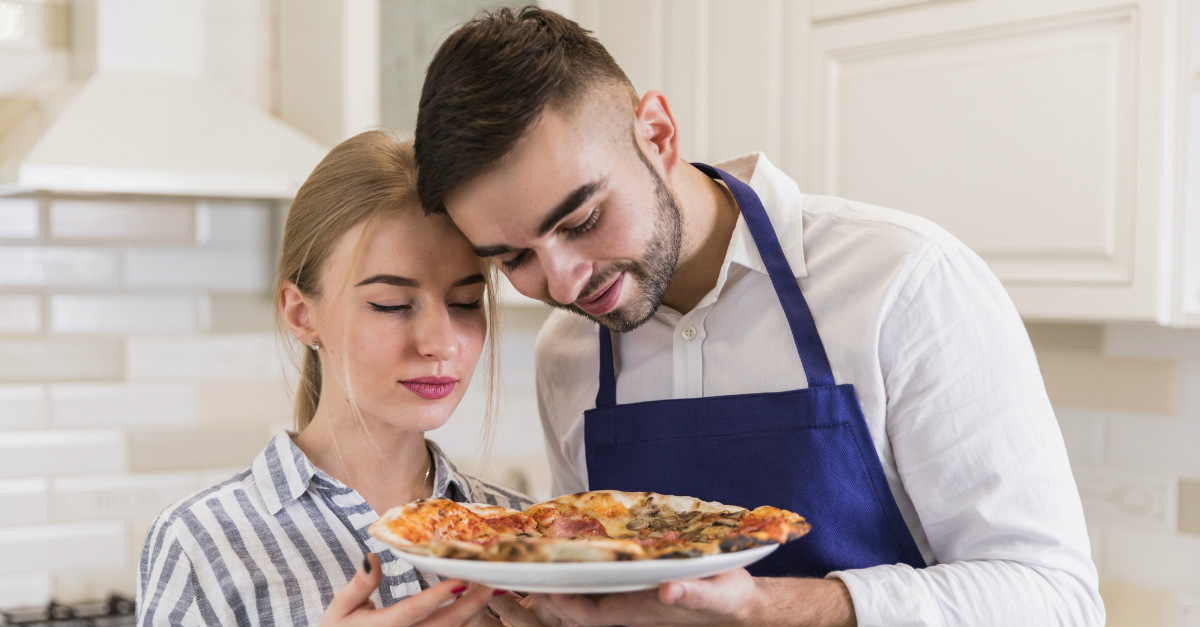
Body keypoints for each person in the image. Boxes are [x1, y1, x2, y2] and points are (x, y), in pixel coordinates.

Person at [414, 7, 1105, 627]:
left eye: (584, 218)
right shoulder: (567, 352)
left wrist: (773, 609)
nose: (562, 282)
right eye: (513, 259)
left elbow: (1054, 596)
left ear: (656, 134)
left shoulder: (905, 281)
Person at [136, 129, 529, 627]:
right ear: (301, 315)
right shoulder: (201, 542)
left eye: (466, 303)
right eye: (391, 304)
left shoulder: (531, 536)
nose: (441, 342)